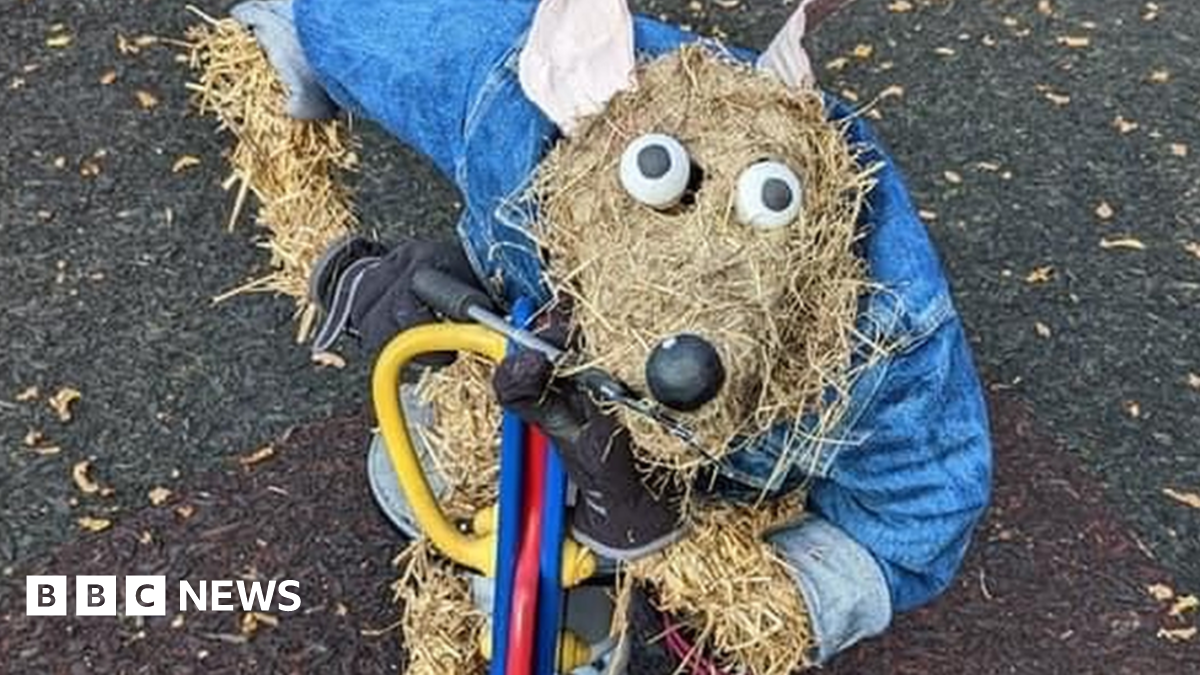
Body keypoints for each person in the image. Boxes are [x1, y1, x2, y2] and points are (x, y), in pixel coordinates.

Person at [230, 0, 993, 664]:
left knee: (617, 574)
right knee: (428, 466)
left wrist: (693, 558)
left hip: (720, 467)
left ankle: (601, 589)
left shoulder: (883, 334)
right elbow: (311, 26)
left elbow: (911, 525)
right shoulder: (517, 113)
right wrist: (335, 260)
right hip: (531, 346)